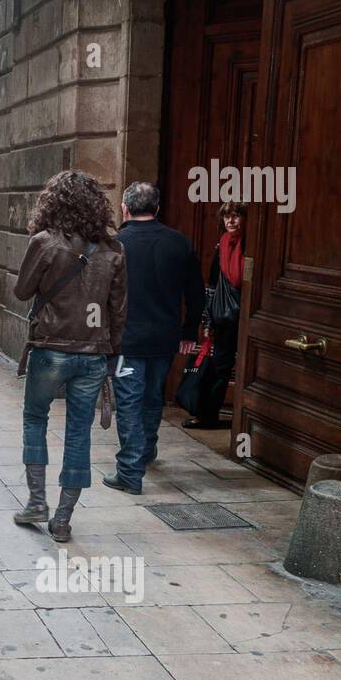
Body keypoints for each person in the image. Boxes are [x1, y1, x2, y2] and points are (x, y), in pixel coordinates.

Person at [12, 170, 127, 542]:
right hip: (93, 354)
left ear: (53, 203)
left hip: (50, 349)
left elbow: (21, 291)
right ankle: (62, 518)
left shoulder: (45, 242)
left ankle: (36, 501)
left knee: (35, 419)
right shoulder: (114, 250)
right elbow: (119, 310)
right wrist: (111, 354)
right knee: (79, 433)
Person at [103, 182, 204, 495]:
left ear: (125, 208)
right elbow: (197, 295)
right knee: (152, 396)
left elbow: (101, 295)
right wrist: (188, 332)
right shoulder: (179, 243)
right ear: (157, 208)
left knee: (130, 401)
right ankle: (146, 452)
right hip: (165, 339)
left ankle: (130, 472)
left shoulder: (115, 246)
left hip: (126, 341)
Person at [185, 201, 246, 429]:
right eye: (226, 216)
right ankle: (208, 415)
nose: (230, 221)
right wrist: (207, 320)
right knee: (220, 365)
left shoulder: (250, 245)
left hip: (249, 315)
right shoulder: (221, 245)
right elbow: (211, 286)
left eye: (236, 216)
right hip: (225, 317)